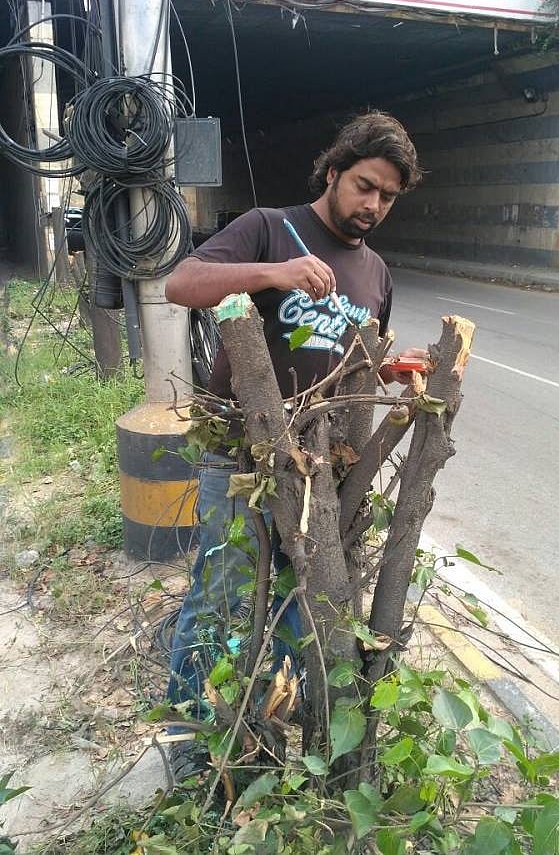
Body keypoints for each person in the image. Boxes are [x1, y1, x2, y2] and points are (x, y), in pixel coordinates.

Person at [164, 110, 422, 777]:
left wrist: (395, 371)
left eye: (388, 196)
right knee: (221, 598)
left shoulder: (377, 274)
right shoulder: (269, 228)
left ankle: (264, 734)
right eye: (365, 186)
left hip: (316, 474)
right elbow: (181, 285)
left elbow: (353, 362)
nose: (374, 205)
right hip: (239, 456)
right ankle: (189, 745)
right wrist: (274, 273)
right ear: (333, 173)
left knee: (295, 606)